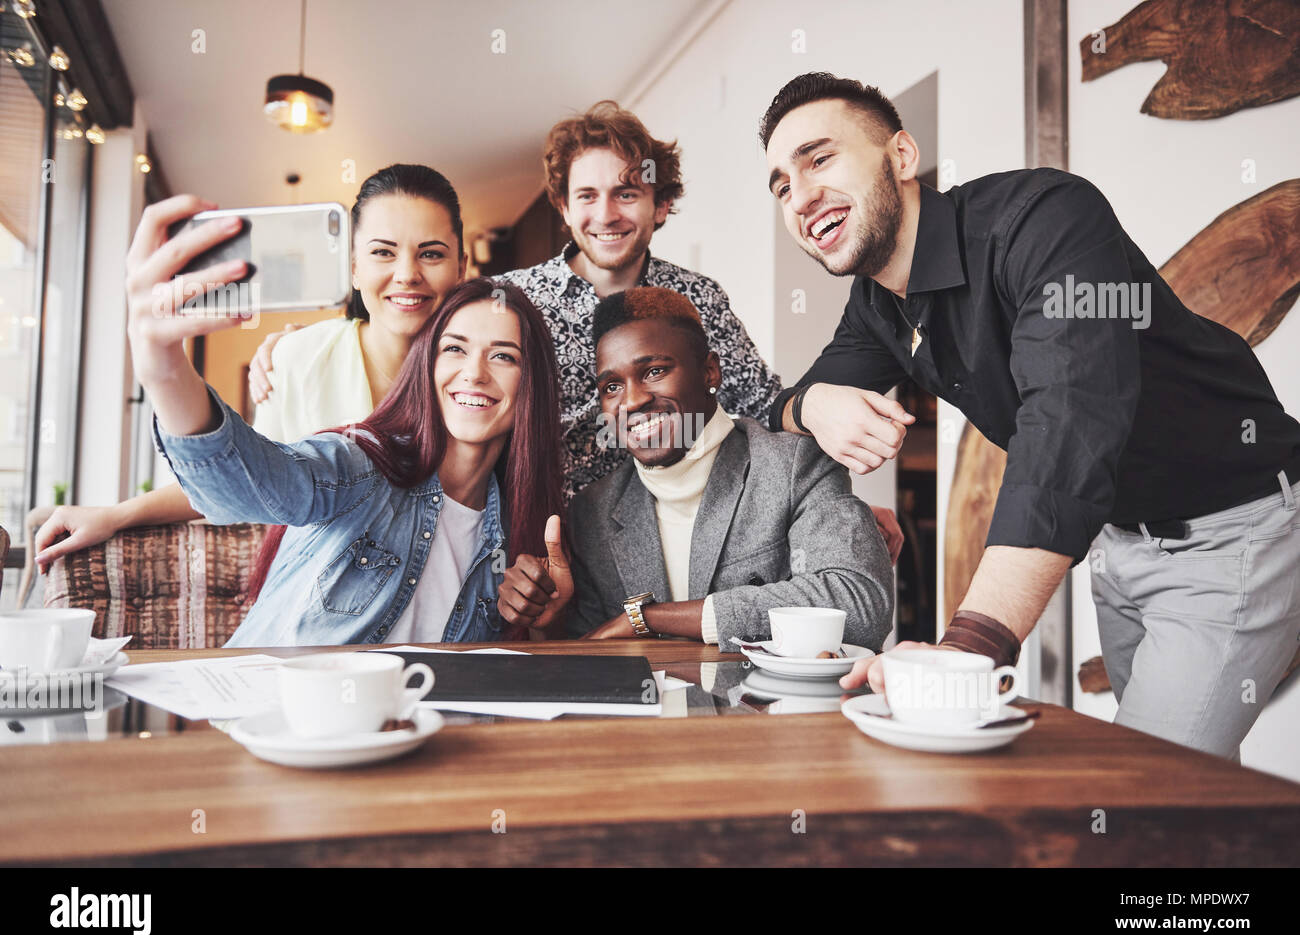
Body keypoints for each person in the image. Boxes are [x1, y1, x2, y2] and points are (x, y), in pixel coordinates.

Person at [760, 72, 1300, 758]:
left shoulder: (1047, 218)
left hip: (1234, 527)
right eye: (780, 184)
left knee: (1149, 790)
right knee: (1171, 780)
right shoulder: (877, 305)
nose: (801, 195)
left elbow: (1069, 420)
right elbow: (778, 409)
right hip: (1119, 541)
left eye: (819, 158)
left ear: (900, 156)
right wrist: (812, 404)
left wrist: (968, 649)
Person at [246, 102, 904, 553]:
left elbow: (761, 408)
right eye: (586, 196)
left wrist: (834, 513)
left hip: (673, 539)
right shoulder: (512, 296)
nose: (607, 213)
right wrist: (301, 343)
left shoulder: (698, 298)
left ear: (660, 203)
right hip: (531, 541)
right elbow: (428, 355)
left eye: (627, 192)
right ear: (562, 207)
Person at [125, 195, 570, 646]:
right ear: (426, 367)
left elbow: (507, 683)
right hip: (279, 709)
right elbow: (245, 483)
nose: (474, 372)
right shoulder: (361, 465)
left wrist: (544, 620)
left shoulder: (516, 534)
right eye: (454, 348)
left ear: (530, 383)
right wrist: (162, 367)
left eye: (502, 356)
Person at [34, 163, 467, 572]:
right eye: (383, 253)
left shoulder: (487, 374)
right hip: (322, 605)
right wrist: (117, 514)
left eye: (431, 254)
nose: (407, 273)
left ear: (461, 268)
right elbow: (250, 479)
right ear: (353, 268)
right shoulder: (297, 358)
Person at [502, 287, 893, 648]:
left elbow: (860, 605)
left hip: (768, 718)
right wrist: (544, 620)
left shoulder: (796, 464)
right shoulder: (595, 511)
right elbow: (590, 650)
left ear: (710, 372)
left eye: (654, 371)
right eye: (612, 386)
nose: (633, 400)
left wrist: (650, 618)